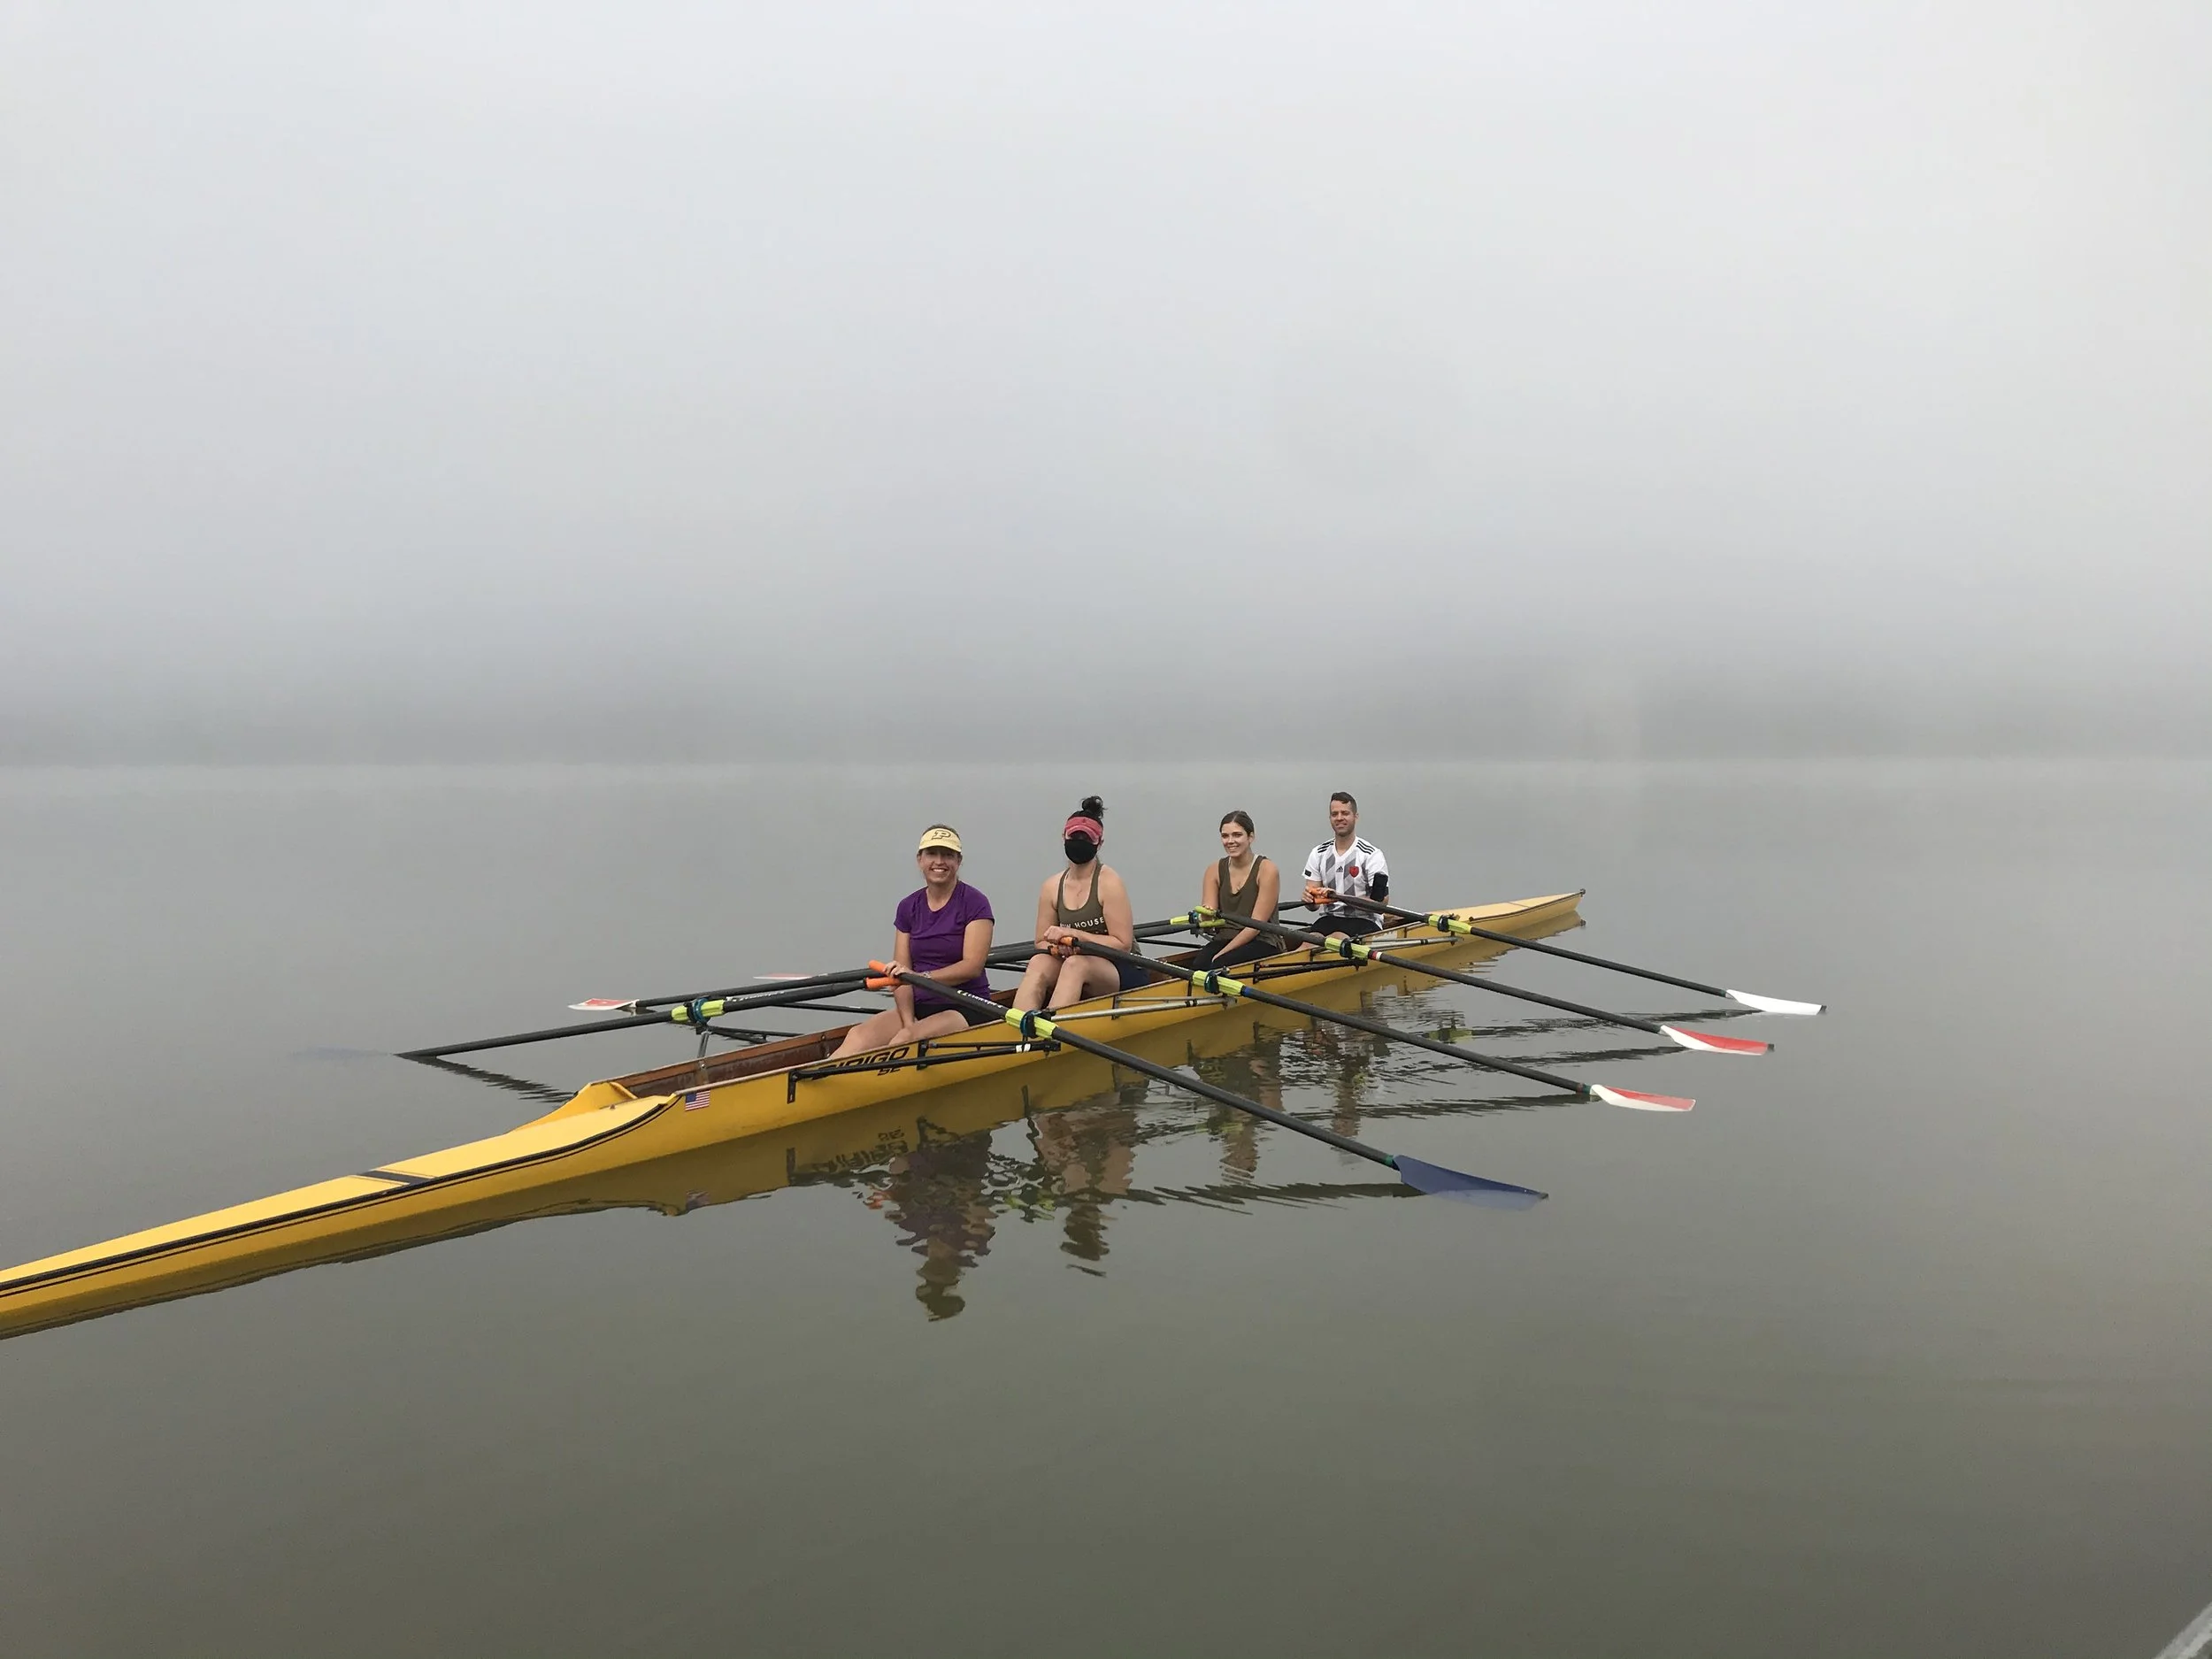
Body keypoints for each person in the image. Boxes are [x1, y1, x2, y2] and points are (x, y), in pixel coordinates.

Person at [832, 825, 995, 1058]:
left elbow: (972, 966)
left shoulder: (975, 902)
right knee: (858, 1036)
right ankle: (817, 1085)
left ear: (958, 861)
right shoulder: (908, 906)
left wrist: (922, 979)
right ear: (920, 859)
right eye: (932, 854)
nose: (939, 861)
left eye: (948, 855)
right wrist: (908, 1022)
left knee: (903, 1042)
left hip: (966, 1005)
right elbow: (901, 975)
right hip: (920, 1004)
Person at [1013, 795, 1147, 1011]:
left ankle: (1052, 1035)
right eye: (1075, 837)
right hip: (1074, 958)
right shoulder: (1051, 886)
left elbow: (1123, 944)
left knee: (1076, 965)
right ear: (1064, 837)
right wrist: (1058, 949)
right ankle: (1019, 1028)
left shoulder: (1109, 883)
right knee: (1038, 963)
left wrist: (1077, 938)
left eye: (1087, 838)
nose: (1079, 843)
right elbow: (1040, 941)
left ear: (1099, 843)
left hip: (1122, 967)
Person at [1194, 810, 1280, 971]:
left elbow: (1255, 926)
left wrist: (1220, 955)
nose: (1230, 841)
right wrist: (1205, 917)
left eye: (1237, 835)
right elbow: (1208, 923)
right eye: (1225, 836)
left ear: (1251, 837)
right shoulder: (1213, 870)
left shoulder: (1267, 869)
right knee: (1198, 966)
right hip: (1224, 938)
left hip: (1261, 941)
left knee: (1218, 965)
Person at [1302, 790, 1390, 938]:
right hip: (1329, 918)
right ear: (1330, 818)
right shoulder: (1318, 853)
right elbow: (1314, 905)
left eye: (1345, 813)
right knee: (1309, 943)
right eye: (1334, 814)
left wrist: (1339, 897)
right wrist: (1309, 901)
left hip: (1365, 920)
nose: (1339, 818)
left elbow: (1381, 904)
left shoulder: (1371, 855)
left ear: (1355, 817)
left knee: (1337, 937)